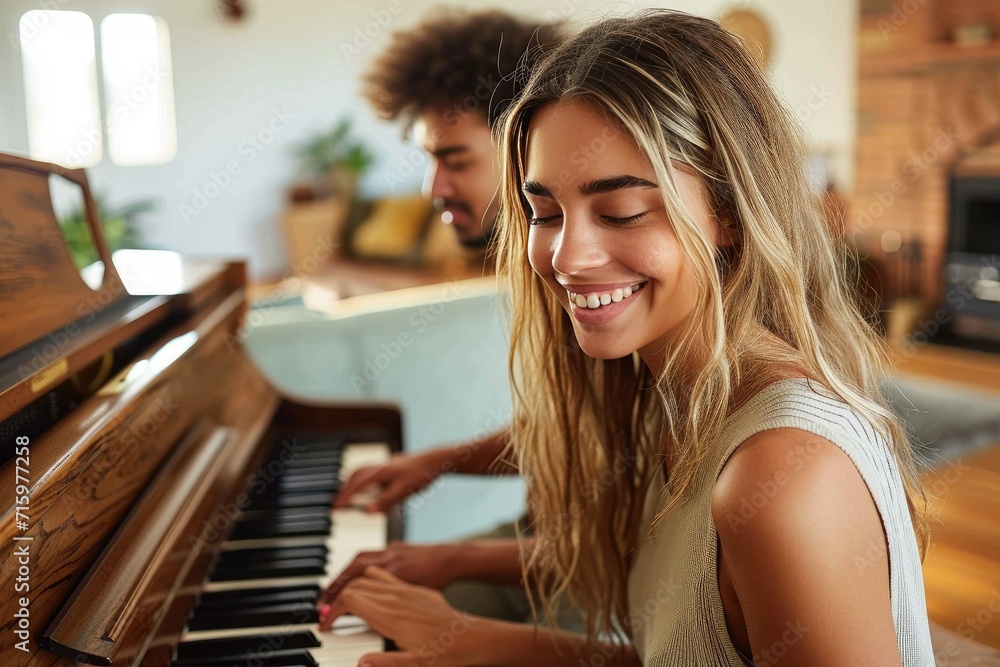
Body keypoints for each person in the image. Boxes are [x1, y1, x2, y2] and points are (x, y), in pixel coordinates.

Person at [320, 8, 938, 667]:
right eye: (545, 212)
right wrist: (468, 639)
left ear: (728, 213)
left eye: (621, 211)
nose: (567, 257)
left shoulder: (785, 476)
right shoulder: (665, 397)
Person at [319, 8, 563, 624]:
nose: (433, 188)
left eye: (454, 160)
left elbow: (630, 561)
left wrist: (448, 559)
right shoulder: (542, 278)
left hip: (581, 591)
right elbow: (570, 436)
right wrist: (437, 461)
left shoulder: (596, 296)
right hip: (541, 538)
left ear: (524, 150)